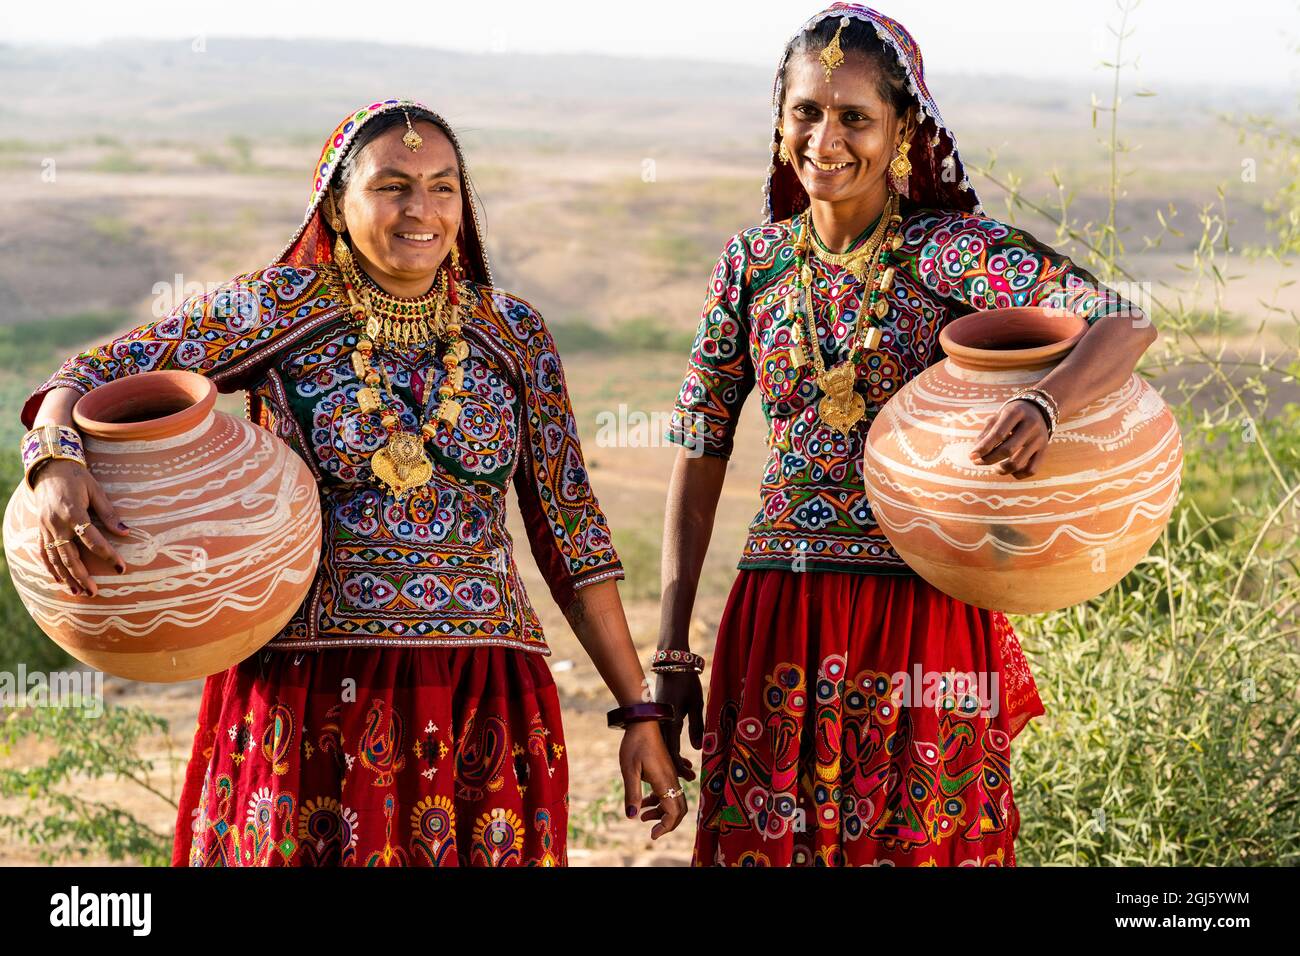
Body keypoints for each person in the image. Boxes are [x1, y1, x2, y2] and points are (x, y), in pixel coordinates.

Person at [18, 98, 684, 866]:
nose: (420, 209)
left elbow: (572, 533)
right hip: (312, 695)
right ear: (336, 203)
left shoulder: (514, 332)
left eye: (442, 186)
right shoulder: (277, 307)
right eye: (392, 185)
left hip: (485, 694)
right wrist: (56, 458)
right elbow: (90, 372)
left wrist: (639, 711)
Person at [655, 6, 1158, 866]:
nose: (827, 138)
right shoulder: (751, 264)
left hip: (921, 604)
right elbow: (701, 451)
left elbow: (1123, 322)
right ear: (780, 119)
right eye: (807, 110)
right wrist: (671, 654)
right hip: (781, 608)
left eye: (856, 117)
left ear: (901, 133)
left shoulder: (949, 252)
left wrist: (1044, 406)